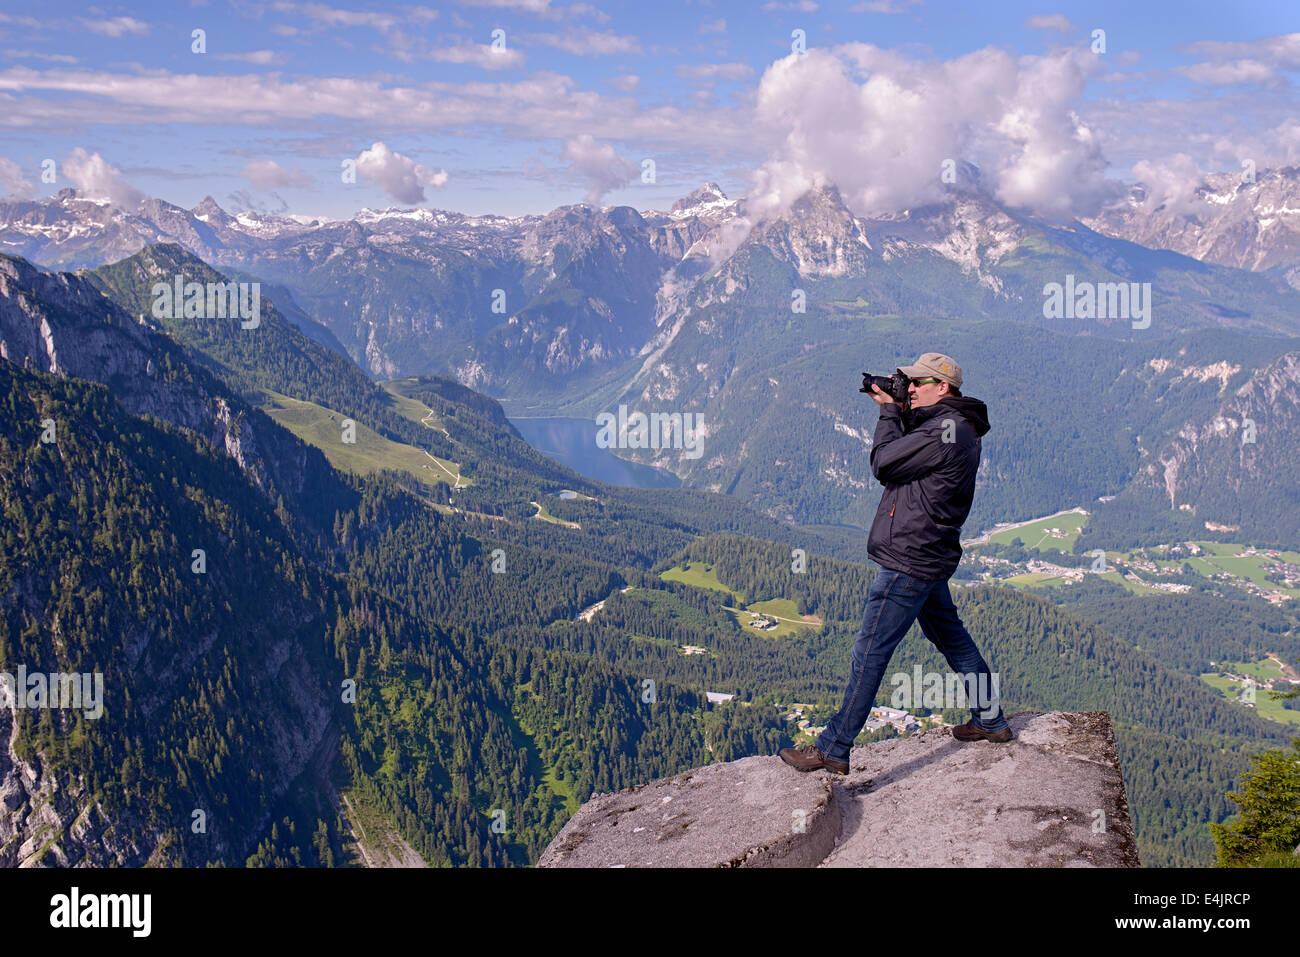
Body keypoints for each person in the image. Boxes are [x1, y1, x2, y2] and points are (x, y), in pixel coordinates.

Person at [780, 352, 1011, 776]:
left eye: (919, 383)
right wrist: (902, 408)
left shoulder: (946, 429)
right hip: (929, 555)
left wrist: (889, 412)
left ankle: (834, 747)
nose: (912, 388)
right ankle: (990, 719)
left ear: (943, 387)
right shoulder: (956, 427)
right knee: (954, 640)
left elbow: (884, 463)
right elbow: (913, 455)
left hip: (908, 560)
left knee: (869, 652)